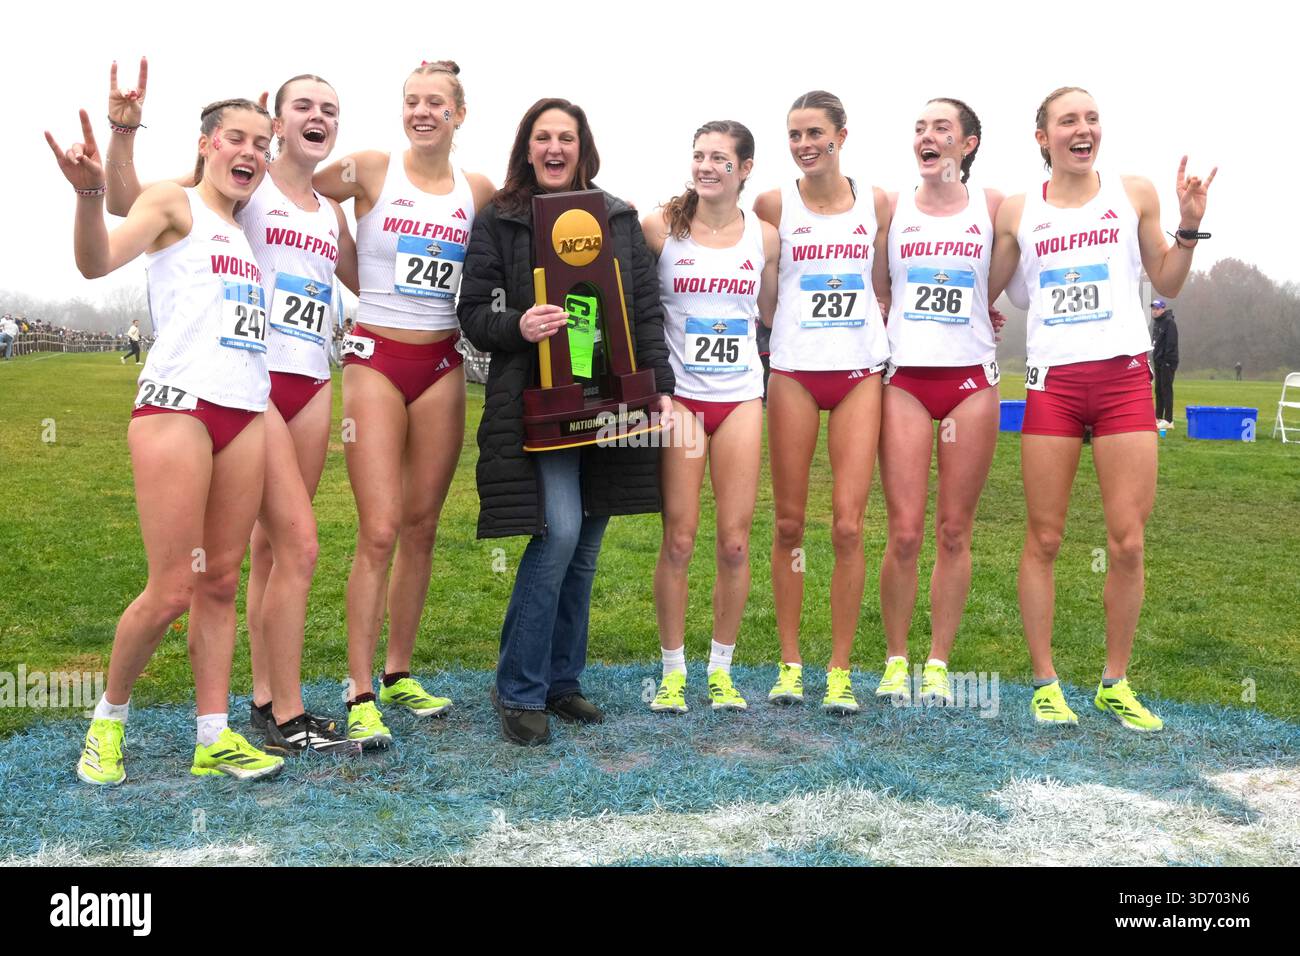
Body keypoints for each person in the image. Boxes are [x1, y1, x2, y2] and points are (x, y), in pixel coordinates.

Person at [106, 63, 362, 755]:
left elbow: (367, 281)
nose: (317, 116)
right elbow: (134, 203)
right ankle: (281, 708)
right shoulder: (246, 189)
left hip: (307, 378)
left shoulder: (330, 212)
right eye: (302, 105)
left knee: (278, 550)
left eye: (329, 108)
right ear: (277, 124)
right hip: (243, 382)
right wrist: (122, 137)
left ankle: (260, 703)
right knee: (279, 550)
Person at [48, 99, 287, 783]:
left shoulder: (243, 232)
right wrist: (92, 192)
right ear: (207, 144)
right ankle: (106, 723)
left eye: (261, 144)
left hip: (244, 413)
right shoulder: (173, 204)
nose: (250, 152)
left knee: (220, 584)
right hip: (178, 409)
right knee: (172, 588)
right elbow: (97, 263)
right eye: (236, 138)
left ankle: (213, 738)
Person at [988, 86, 1215, 731]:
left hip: (1122, 383)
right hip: (1053, 385)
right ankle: (1044, 682)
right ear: (1043, 137)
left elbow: (1166, 281)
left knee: (1128, 540)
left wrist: (1189, 223)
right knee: (1045, 536)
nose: (1082, 129)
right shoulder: (1017, 211)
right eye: (1068, 121)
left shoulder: (1134, 193)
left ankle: (1115, 681)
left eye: (1091, 119)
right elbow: (987, 288)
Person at [458, 97, 674, 745]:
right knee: (558, 532)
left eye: (567, 138)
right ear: (527, 147)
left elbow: (644, 310)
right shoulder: (500, 219)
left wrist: (654, 391)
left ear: (583, 148)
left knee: (583, 549)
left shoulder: (616, 216)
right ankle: (518, 687)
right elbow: (473, 314)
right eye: (543, 137)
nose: (555, 148)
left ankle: (560, 682)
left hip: (609, 400)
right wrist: (518, 326)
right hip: (540, 403)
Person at [313, 61, 495, 748]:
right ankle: (358, 690)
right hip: (376, 360)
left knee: (422, 526)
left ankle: (397, 672)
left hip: (443, 361)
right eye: (411, 101)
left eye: (435, 103)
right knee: (380, 528)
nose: (422, 112)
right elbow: (297, 186)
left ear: (459, 112)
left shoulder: (475, 189)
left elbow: (528, 225)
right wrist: (345, 256)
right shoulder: (368, 168)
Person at [753, 91, 891, 713]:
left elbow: (887, 285)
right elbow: (756, 286)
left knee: (847, 524)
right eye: (794, 135)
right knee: (787, 523)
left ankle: (840, 667)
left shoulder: (878, 204)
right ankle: (789, 663)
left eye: (815, 132)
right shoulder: (773, 204)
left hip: (859, 371)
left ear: (841, 133)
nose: (805, 145)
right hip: (793, 373)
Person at [643, 120, 779, 713]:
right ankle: (673, 670)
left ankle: (720, 668)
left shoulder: (767, 239)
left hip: (742, 398)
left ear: (745, 168)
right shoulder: (660, 229)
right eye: (698, 156)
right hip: (683, 402)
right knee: (678, 538)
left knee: (733, 542)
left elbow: (778, 311)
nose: (706, 166)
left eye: (720, 158)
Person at [877, 98, 1003, 707]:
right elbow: (878, 287)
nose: (927, 137)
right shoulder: (892, 208)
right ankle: (896, 658)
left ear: (968, 144)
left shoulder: (996, 206)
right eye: (920, 128)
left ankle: (938, 661)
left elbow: (1001, 279)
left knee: (955, 530)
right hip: (904, 382)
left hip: (970, 384)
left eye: (942, 129)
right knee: (904, 532)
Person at [1150, 299, 1178, 427]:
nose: (1154, 311)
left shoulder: (1169, 322)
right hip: (1158, 360)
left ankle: (1169, 420)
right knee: (1158, 389)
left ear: (1162, 309)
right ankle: (1159, 417)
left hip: (1167, 361)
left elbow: (1171, 343)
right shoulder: (1156, 323)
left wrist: (1167, 360)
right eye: (1153, 309)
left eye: (1157, 309)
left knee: (1166, 389)